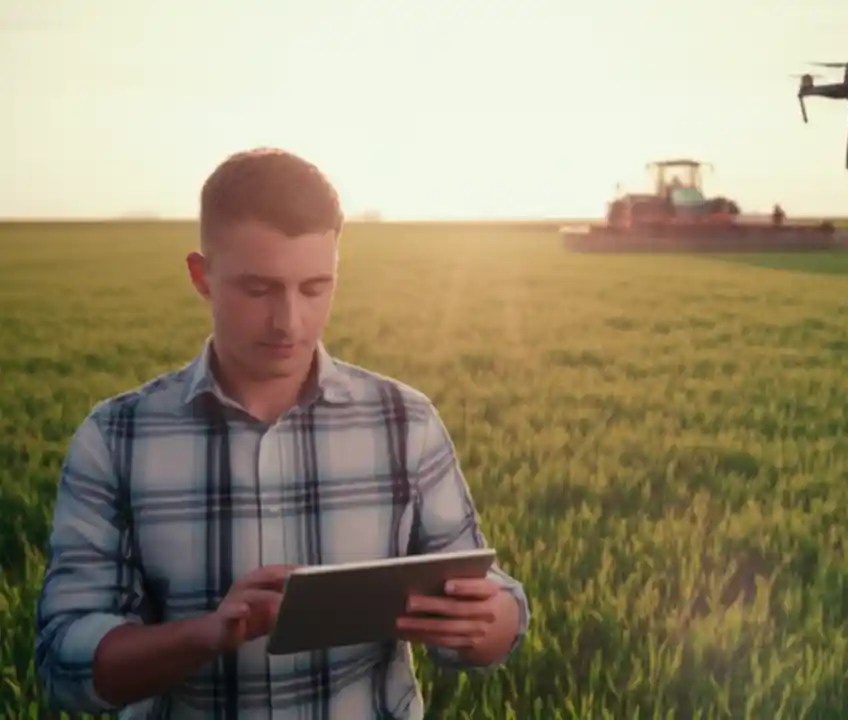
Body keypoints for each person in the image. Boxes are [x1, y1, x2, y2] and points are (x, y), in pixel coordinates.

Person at [33, 147, 530, 718]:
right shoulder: (116, 438)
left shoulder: (405, 422)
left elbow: (488, 607)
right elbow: (63, 660)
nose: (289, 322)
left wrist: (487, 620)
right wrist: (209, 634)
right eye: (258, 289)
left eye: (315, 288)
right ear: (202, 276)